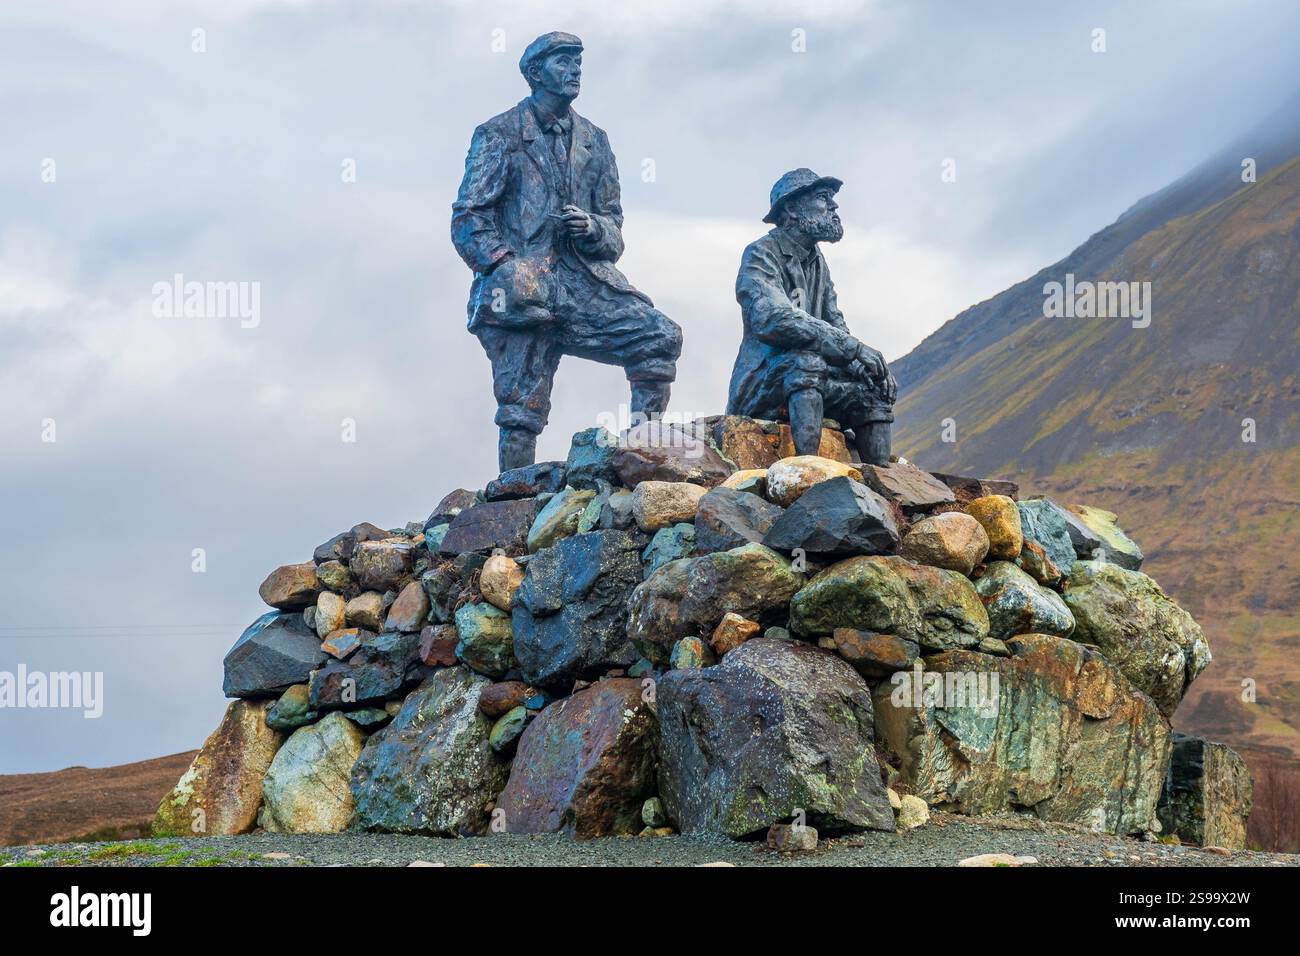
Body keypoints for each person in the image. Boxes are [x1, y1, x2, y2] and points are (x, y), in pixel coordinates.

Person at [451, 31, 682, 471]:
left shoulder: (596, 140)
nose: (575, 70)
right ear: (536, 72)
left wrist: (593, 228)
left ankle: (641, 457)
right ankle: (512, 494)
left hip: (584, 283)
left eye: (578, 62)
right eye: (563, 62)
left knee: (658, 337)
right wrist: (505, 265)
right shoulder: (498, 134)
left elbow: (614, 230)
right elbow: (468, 217)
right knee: (521, 405)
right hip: (518, 288)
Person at [727, 168, 896, 464]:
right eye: (822, 198)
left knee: (873, 385)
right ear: (791, 208)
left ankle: (881, 480)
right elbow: (772, 319)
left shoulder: (818, 262)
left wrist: (861, 364)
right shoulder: (760, 254)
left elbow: (836, 323)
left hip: (810, 380)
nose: (834, 206)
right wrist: (854, 349)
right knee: (807, 363)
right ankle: (807, 472)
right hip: (761, 383)